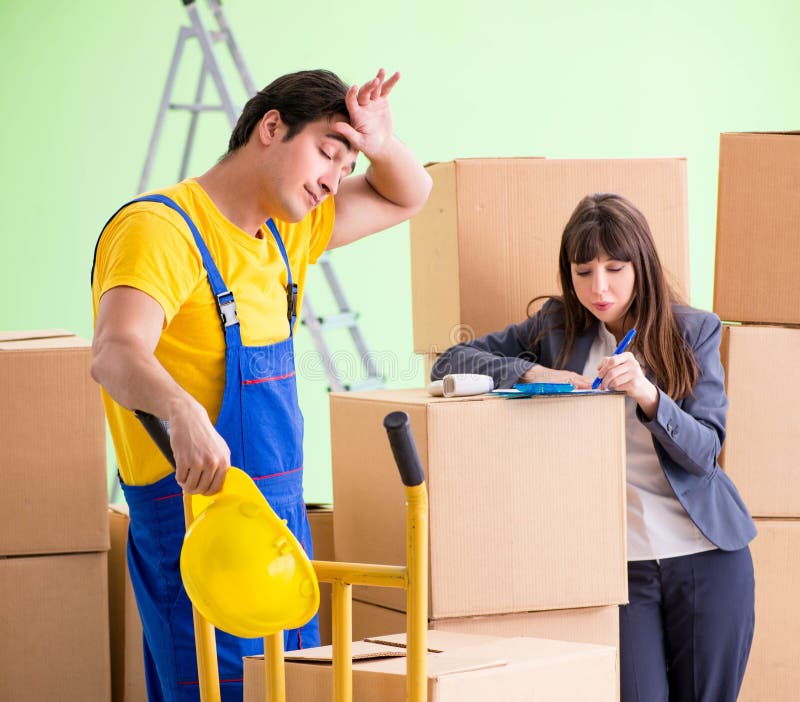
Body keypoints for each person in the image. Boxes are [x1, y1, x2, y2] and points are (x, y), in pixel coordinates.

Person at [91, 68, 431, 701]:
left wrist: (378, 143)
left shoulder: (289, 230)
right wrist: (181, 411)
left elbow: (410, 195)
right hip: (200, 533)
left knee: (290, 691)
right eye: (328, 152)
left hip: (280, 535)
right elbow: (114, 351)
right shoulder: (161, 229)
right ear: (271, 127)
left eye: (347, 165)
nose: (334, 179)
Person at [431, 193, 756, 701]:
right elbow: (450, 360)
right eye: (583, 272)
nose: (598, 288)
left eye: (614, 269)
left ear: (641, 265)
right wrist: (534, 372)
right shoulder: (556, 327)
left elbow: (705, 453)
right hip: (615, 565)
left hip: (707, 555)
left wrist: (649, 396)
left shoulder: (694, 331)